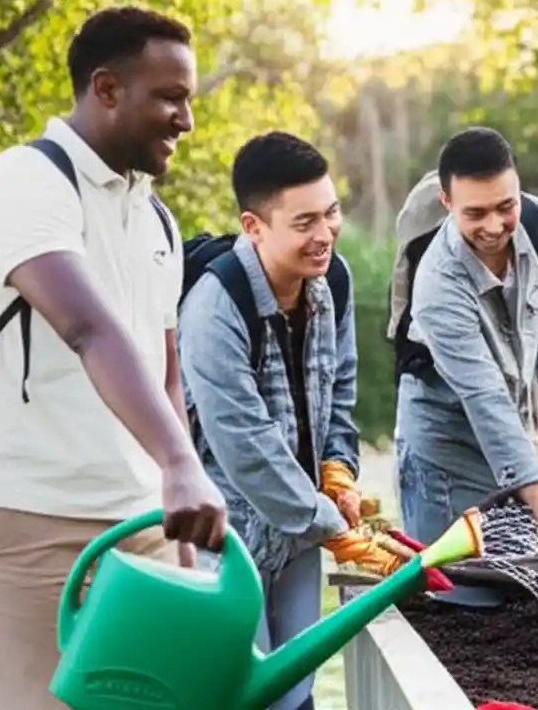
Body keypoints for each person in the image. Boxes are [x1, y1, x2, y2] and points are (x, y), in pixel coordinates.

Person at [0, 6, 226, 708]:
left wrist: (177, 516)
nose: (186, 120)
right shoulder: (24, 180)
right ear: (107, 88)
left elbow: (165, 370)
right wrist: (182, 464)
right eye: (171, 97)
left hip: (140, 521)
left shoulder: (157, 217)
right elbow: (87, 326)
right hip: (30, 517)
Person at [178, 132, 416, 709]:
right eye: (305, 222)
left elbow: (339, 387)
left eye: (330, 213)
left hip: (300, 530)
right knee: (240, 692)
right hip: (225, 535)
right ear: (254, 226)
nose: (325, 234)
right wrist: (335, 529)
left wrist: (338, 468)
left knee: (297, 691)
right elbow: (244, 443)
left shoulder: (330, 280)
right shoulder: (215, 307)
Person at [395, 127, 538, 590]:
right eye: (475, 213)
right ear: (446, 202)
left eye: (506, 206)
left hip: (512, 443)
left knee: (517, 595)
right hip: (448, 452)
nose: (494, 225)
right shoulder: (438, 286)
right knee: (459, 601)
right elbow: (486, 402)